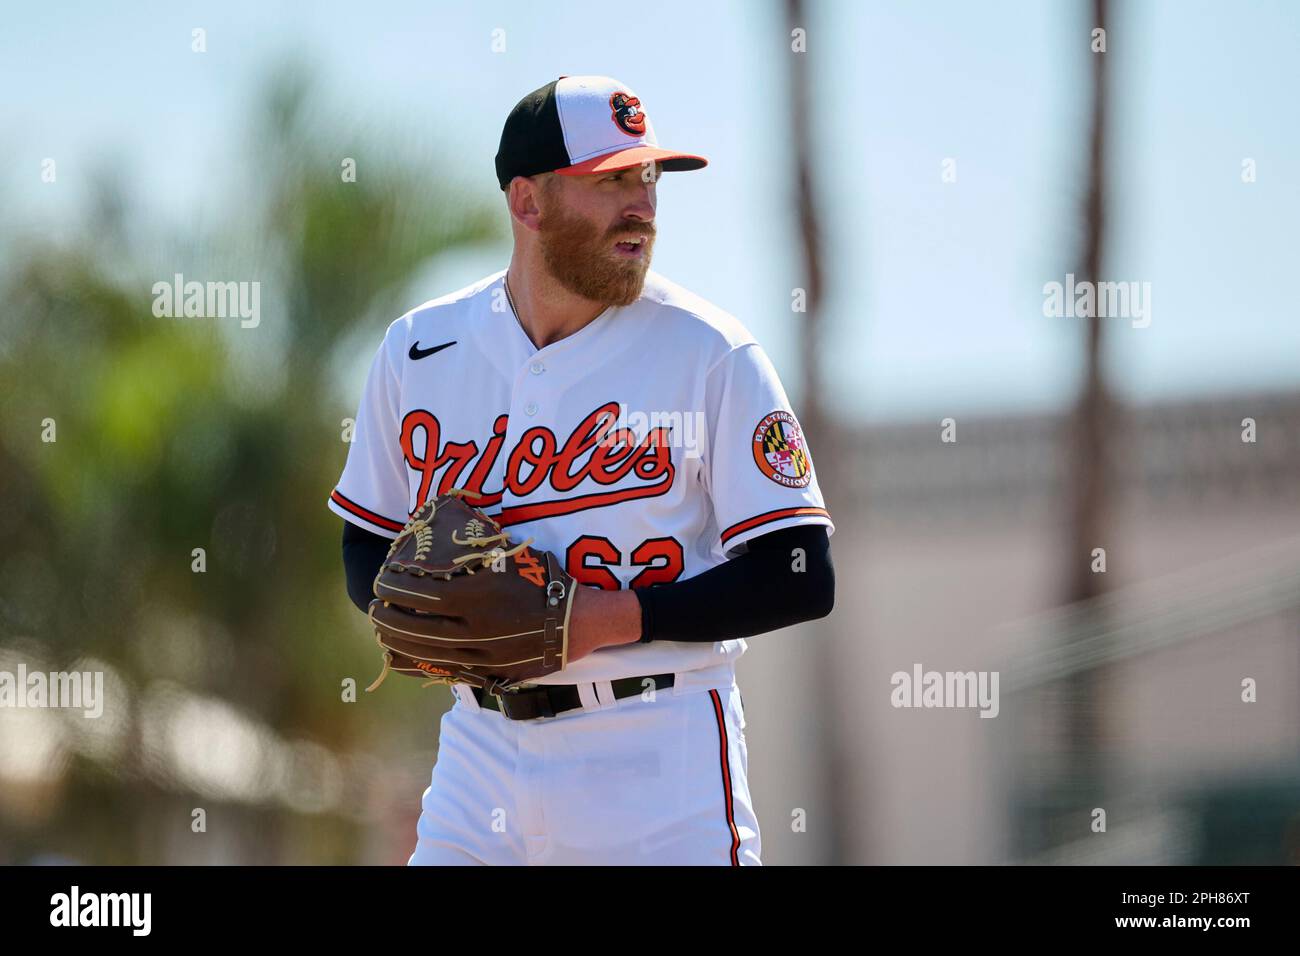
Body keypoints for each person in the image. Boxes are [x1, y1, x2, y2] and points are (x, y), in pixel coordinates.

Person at [330, 75, 835, 865]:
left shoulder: (709, 353)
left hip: (658, 758)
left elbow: (803, 572)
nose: (643, 204)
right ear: (527, 202)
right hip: (479, 754)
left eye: (648, 177)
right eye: (612, 181)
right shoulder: (421, 351)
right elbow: (365, 546)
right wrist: (425, 622)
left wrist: (606, 617)